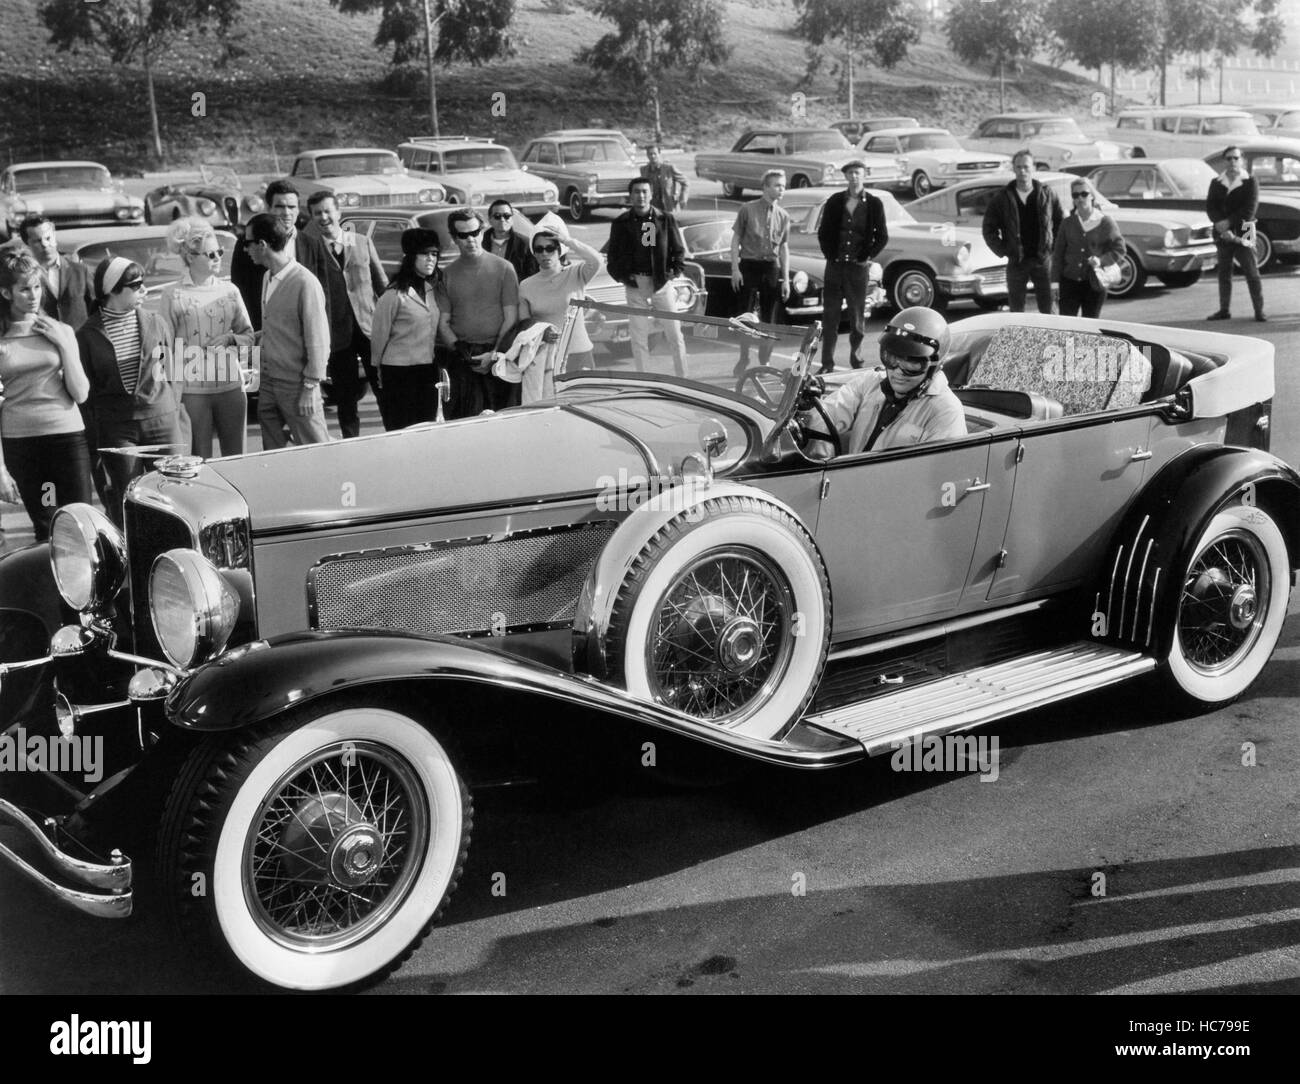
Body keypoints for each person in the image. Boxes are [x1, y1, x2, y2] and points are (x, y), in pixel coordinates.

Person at [76, 257, 183, 525]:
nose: (143, 290)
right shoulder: (87, 335)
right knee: (130, 498)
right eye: (135, 285)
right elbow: (86, 393)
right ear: (111, 290)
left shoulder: (155, 321)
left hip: (162, 419)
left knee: (174, 495)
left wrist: (170, 408)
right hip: (117, 427)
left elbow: (174, 370)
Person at [0, 250, 93, 542]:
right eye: (24, 289)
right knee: (49, 524)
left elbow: (81, 393)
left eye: (37, 287)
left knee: (81, 522)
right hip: (26, 446)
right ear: (6, 292)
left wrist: (65, 346)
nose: (33, 295)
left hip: (66, 439)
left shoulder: (61, 330)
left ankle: (93, 586)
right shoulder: (2, 341)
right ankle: (55, 587)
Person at [808, 306, 965, 455]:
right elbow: (824, 416)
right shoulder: (871, 383)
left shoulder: (946, 411)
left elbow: (934, 473)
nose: (897, 371)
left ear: (935, 367)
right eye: (891, 358)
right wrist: (822, 458)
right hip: (851, 478)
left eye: (912, 363)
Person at [158, 218, 254, 458]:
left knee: (236, 456)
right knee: (199, 458)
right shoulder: (172, 294)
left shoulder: (230, 291)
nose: (217, 258)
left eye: (219, 252)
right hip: (191, 390)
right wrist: (168, 388)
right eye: (210, 254)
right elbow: (163, 345)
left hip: (230, 385)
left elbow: (248, 335)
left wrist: (230, 340)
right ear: (190, 257)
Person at [242, 213, 330, 448]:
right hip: (269, 381)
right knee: (273, 454)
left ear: (262, 245)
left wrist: (311, 386)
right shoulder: (266, 278)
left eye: (247, 243)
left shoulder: (305, 282)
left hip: (297, 383)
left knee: (315, 449)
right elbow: (277, 329)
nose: (245, 249)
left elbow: (318, 339)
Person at [306, 191, 389, 435]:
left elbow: (382, 285)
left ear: (338, 213)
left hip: (369, 328)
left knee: (383, 388)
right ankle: (350, 442)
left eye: (327, 211)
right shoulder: (311, 251)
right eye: (317, 213)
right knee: (345, 397)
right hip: (336, 333)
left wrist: (391, 324)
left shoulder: (362, 241)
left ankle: (392, 435)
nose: (323, 217)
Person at [435, 209, 519, 417]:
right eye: (463, 236)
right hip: (462, 359)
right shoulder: (446, 275)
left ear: (482, 232)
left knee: (502, 421)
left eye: (474, 233)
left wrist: (495, 354)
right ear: (454, 239)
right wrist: (460, 352)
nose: (470, 239)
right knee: (464, 422)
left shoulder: (505, 269)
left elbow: (511, 317)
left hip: (498, 357)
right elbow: (443, 322)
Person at [606, 177, 688, 376]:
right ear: (630, 195)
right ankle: (645, 380)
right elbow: (613, 257)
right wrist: (624, 278)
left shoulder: (665, 219)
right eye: (636, 192)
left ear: (651, 195)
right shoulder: (621, 223)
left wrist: (670, 274)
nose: (640, 196)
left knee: (674, 334)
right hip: (635, 285)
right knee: (639, 337)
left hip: (661, 284)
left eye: (644, 191)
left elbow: (678, 251)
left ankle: (683, 378)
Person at [230, 179, 335, 332]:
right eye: (280, 206)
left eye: (292, 207)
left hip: (301, 334)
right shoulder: (246, 244)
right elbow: (239, 292)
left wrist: (325, 335)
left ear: (299, 210)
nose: (287, 212)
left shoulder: (313, 245)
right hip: (259, 333)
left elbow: (324, 296)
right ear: (267, 208)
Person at [816, 160, 888, 372]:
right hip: (835, 267)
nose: (854, 176)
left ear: (864, 175)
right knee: (830, 318)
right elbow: (824, 232)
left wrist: (866, 256)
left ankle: (856, 360)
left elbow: (882, 236)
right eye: (850, 173)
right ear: (845, 176)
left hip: (858, 269)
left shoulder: (874, 203)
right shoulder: (835, 201)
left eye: (858, 173)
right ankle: (827, 364)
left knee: (857, 318)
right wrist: (830, 254)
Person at [371, 228, 442, 429]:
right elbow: (379, 336)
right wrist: (378, 370)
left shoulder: (431, 290)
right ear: (411, 257)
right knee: (401, 428)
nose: (431, 259)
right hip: (399, 373)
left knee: (426, 428)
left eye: (434, 254)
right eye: (425, 254)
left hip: (427, 370)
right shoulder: (394, 295)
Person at [982, 150, 1064, 315]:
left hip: (1043, 261)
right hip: (1017, 263)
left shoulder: (1047, 194)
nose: (1022, 171)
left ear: (1033, 167)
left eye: (1026, 167)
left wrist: (1052, 249)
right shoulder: (1002, 198)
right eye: (1018, 167)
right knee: (1017, 311)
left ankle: (1052, 339)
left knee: (1050, 309)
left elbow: (1060, 223)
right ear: (1013, 168)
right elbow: (988, 229)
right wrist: (1004, 250)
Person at [517, 223, 603, 372]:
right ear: (534, 253)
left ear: (559, 251)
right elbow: (524, 323)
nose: (544, 254)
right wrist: (542, 333)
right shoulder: (526, 285)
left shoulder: (576, 274)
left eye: (550, 248)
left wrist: (567, 240)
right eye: (539, 249)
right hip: (546, 357)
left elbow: (597, 260)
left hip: (579, 354)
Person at [729, 168, 791, 375]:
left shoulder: (783, 216)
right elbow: (736, 239)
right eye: (776, 185)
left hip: (771, 267)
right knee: (745, 316)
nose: (781, 189)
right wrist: (735, 269)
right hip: (748, 265)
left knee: (769, 317)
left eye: (783, 185)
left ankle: (765, 360)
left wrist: (786, 279)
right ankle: (743, 357)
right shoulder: (747, 209)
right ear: (765, 187)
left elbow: (783, 247)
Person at [1206, 145, 1266, 322]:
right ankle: (1224, 309)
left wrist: (1229, 224)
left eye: (1236, 158)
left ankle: (1259, 310)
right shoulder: (1216, 182)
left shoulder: (1250, 181)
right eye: (1229, 158)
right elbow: (1211, 207)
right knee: (1224, 273)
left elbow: (1249, 209)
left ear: (1242, 160)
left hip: (1245, 229)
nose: (1232, 161)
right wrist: (1219, 224)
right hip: (1222, 232)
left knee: (1251, 272)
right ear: (1224, 161)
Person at [1051, 177, 1125, 319]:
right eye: (1075, 195)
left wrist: (1101, 260)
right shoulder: (1068, 223)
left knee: (1090, 327)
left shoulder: (1105, 222)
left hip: (1094, 283)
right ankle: (1070, 344)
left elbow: (1119, 249)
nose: (1080, 198)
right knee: (1067, 328)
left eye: (1084, 194)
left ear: (1092, 196)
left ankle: (1088, 343)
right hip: (1069, 282)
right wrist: (1054, 284)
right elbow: (1058, 255)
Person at [19, 215, 95, 330]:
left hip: (79, 344)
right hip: (43, 343)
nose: (45, 244)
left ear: (54, 237)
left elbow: (95, 310)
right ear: (27, 244)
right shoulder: (25, 277)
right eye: (37, 241)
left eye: (48, 238)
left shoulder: (80, 271)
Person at [482, 200, 538, 282]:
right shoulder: (480, 243)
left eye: (507, 216)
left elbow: (532, 275)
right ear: (490, 220)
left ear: (512, 219)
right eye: (497, 216)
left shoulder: (525, 244)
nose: (502, 219)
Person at [641, 145, 689, 214]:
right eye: (650, 154)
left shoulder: (669, 168)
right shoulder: (644, 170)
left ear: (659, 154)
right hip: (651, 206)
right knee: (650, 224)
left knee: (669, 224)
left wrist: (683, 198)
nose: (653, 156)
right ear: (647, 155)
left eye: (655, 153)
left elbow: (685, 182)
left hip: (668, 205)